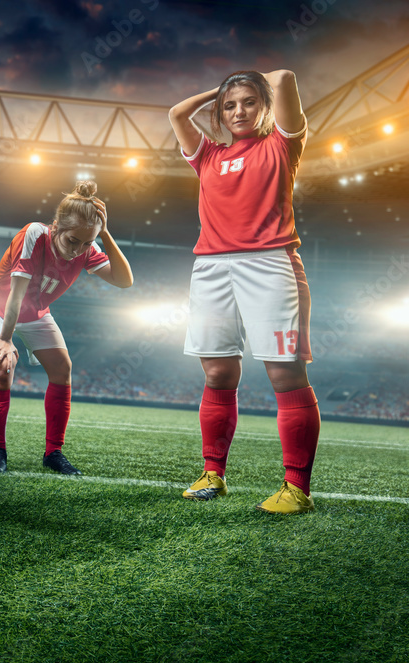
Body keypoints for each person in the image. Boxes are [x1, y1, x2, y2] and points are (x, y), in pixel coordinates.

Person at [168, 70, 320, 514]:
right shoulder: (208, 156)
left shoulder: (283, 143)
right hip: (211, 267)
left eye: (250, 102)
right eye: (230, 106)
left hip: (271, 265)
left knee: (285, 376)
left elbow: (287, 76)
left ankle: (297, 489)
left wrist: (245, 81)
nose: (239, 111)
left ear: (266, 106)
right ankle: (213, 474)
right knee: (216, 374)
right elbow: (177, 113)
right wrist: (222, 90)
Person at [0, 182, 133, 474]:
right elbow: (16, 294)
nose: (79, 251)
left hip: (36, 313)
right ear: (57, 227)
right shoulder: (34, 234)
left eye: (88, 243)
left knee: (63, 369)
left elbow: (125, 281)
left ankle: (53, 452)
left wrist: (105, 234)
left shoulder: (87, 246)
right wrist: (5, 339)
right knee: (3, 368)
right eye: (73, 241)